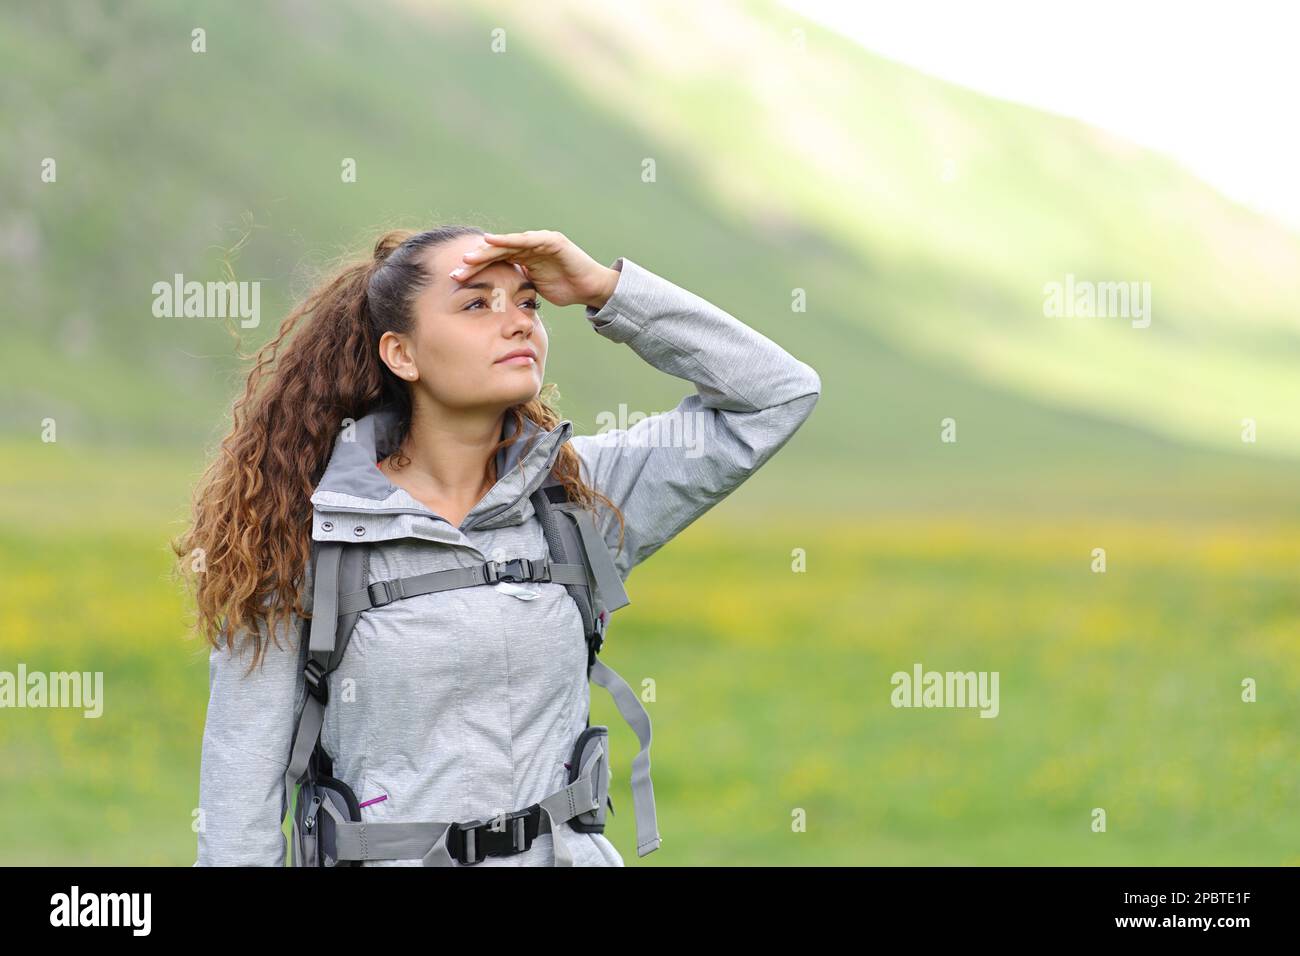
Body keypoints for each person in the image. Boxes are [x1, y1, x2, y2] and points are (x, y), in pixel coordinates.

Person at [179, 226, 821, 865]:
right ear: (402, 354)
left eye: (528, 302)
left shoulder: (579, 497)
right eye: (477, 303)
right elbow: (239, 814)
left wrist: (604, 290)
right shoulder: (306, 534)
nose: (517, 322)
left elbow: (775, 395)